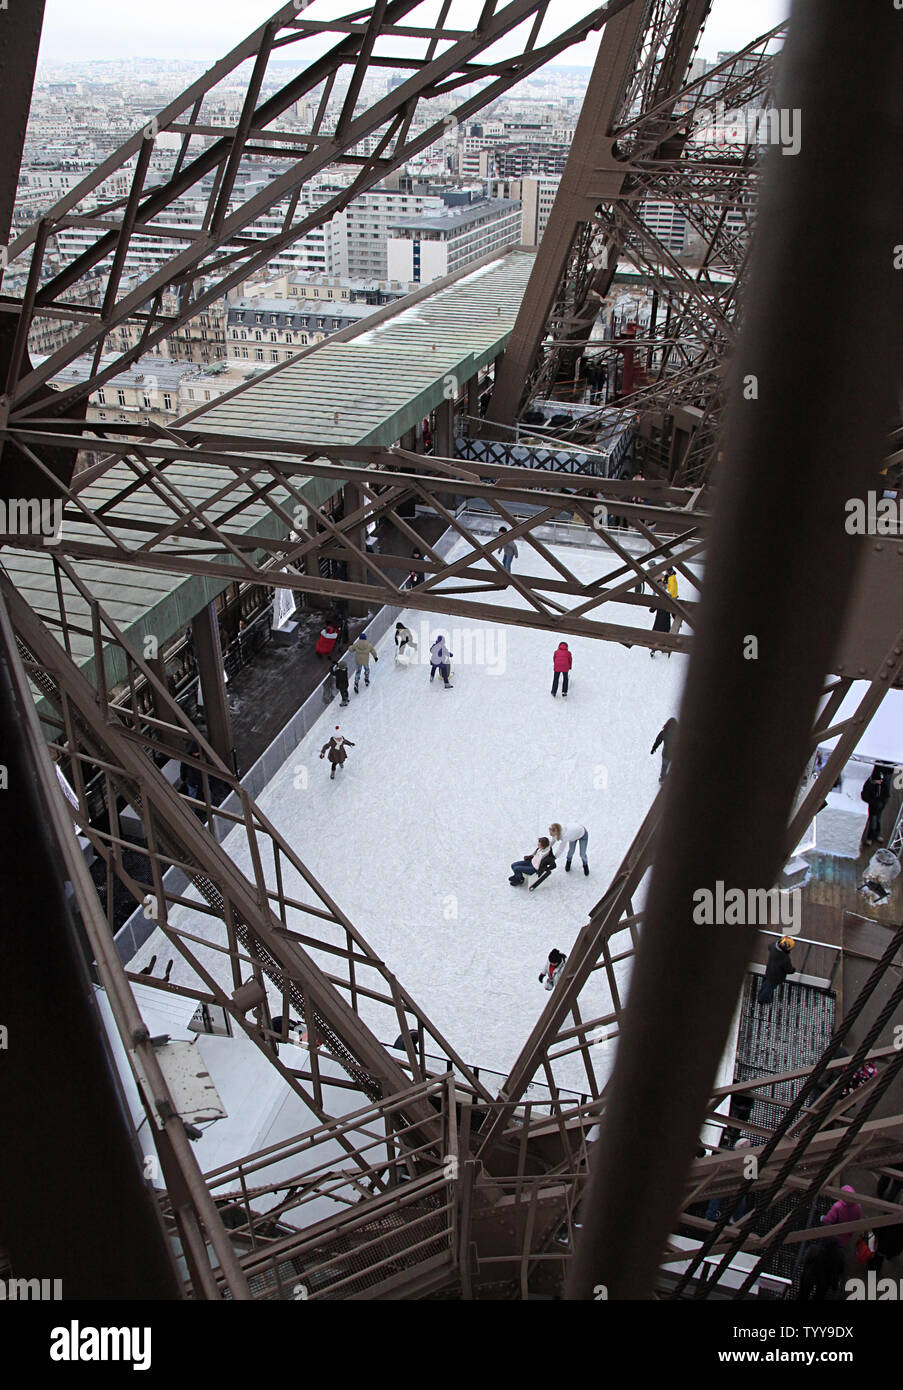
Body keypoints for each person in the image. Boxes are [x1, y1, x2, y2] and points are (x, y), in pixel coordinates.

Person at [798, 1237, 844, 1301]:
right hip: (825, 1280)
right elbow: (840, 1269)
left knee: (803, 1293)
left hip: (810, 1275)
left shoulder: (814, 1249)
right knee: (819, 1296)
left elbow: (805, 1260)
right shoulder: (839, 1255)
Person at [757, 936, 795, 1005]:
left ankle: (762, 994)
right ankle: (762, 999)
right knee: (769, 987)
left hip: (769, 970)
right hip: (776, 977)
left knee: (767, 984)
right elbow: (789, 970)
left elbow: (770, 946)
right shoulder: (785, 959)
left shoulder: (773, 947)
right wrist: (793, 970)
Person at [861, 763, 891, 845]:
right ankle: (869, 838)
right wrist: (874, 803)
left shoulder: (881, 784)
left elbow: (886, 792)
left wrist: (883, 800)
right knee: (873, 823)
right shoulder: (869, 786)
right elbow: (865, 796)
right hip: (873, 807)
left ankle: (877, 835)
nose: (881, 781)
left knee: (878, 821)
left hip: (880, 806)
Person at [651, 717, 678, 782]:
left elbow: (658, 741)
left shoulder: (664, 732)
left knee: (664, 766)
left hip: (666, 753)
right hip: (674, 754)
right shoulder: (678, 733)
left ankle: (663, 779)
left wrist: (654, 748)